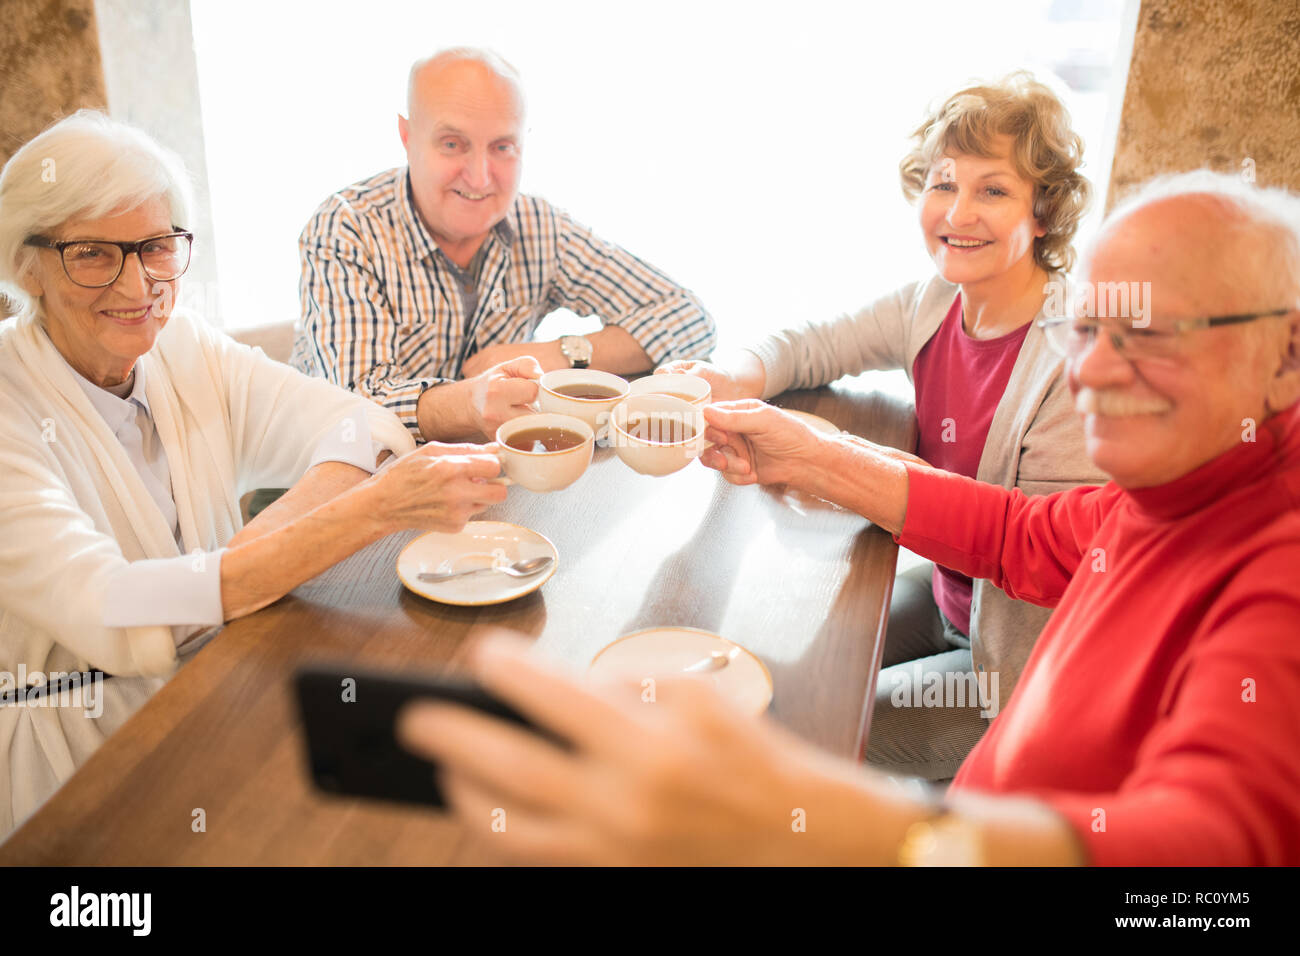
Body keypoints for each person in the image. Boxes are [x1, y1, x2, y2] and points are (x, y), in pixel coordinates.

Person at [398, 171, 1300, 865]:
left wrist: (872, 835)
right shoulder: (1177, 485)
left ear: (1286, 353)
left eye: (1149, 334)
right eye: (1089, 332)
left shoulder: (1277, 558)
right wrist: (810, 453)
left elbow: (1208, 888)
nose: (1091, 373)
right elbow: (1019, 536)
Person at [0, 112, 508, 836]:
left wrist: (235, 568)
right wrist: (365, 512)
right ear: (27, 266)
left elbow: (359, 427)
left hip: (214, 689)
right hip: (73, 761)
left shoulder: (180, 345)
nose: (138, 283)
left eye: (155, 246)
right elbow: (113, 606)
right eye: (91, 253)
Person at [660, 73, 1105, 778]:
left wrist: (823, 458)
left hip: (1020, 677)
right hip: (948, 597)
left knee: (798, 730)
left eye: (993, 190)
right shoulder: (933, 301)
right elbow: (812, 341)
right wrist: (732, 375)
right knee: (764, 661)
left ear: (1044, 212)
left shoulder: (1071, 361)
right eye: (942, 183)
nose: (958, 211)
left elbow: (1028, 547)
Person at [291, 47, 718, 444]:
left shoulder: (541, 226)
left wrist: (559, 354)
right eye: (452, 144)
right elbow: (353, 408)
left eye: (502, 147)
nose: (479, 177)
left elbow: (689, 319)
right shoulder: (347, 227)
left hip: (488, 479)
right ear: (407, 135)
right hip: (334, 478)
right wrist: (468, 402)